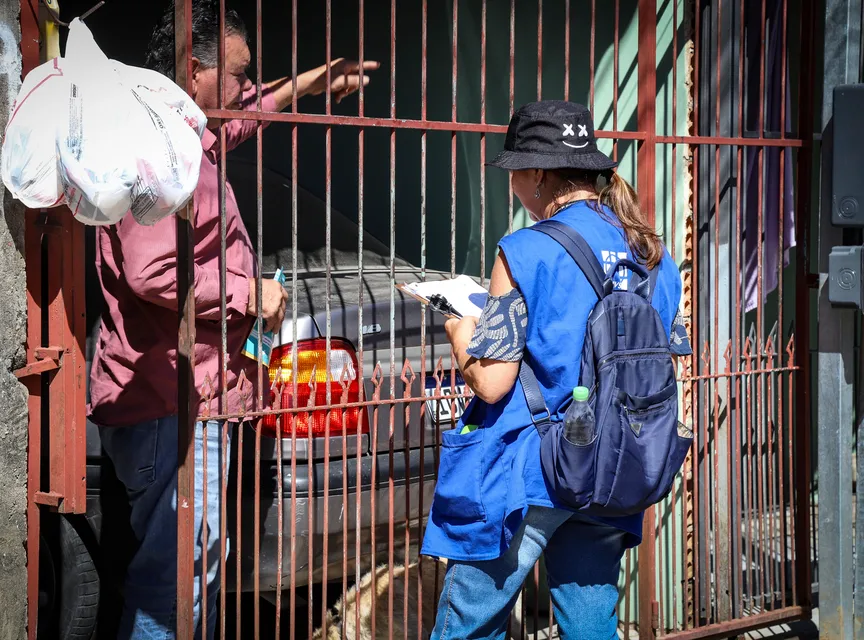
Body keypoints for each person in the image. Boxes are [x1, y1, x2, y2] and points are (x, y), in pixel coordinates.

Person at [87, 3, 379, 638]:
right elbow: (151, 271)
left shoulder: (184, 133)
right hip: (171, 404)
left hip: (187, 397)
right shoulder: (155, 150)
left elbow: (241, 122)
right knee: (175, 584)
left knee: (194, 578)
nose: (249, 89)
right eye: (241, 74)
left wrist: (307, 84)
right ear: (195, 71)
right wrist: (251, 294)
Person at [421, 100, 691, 640]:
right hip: (617, 469)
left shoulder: (524, 251)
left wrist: (458, 328)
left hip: (534, 473)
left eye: (515, 171)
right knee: (592, 626)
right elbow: (666, 358)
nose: (513, 184)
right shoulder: (654, 256)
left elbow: (493, 380)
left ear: (538, 173)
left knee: (469, 623)